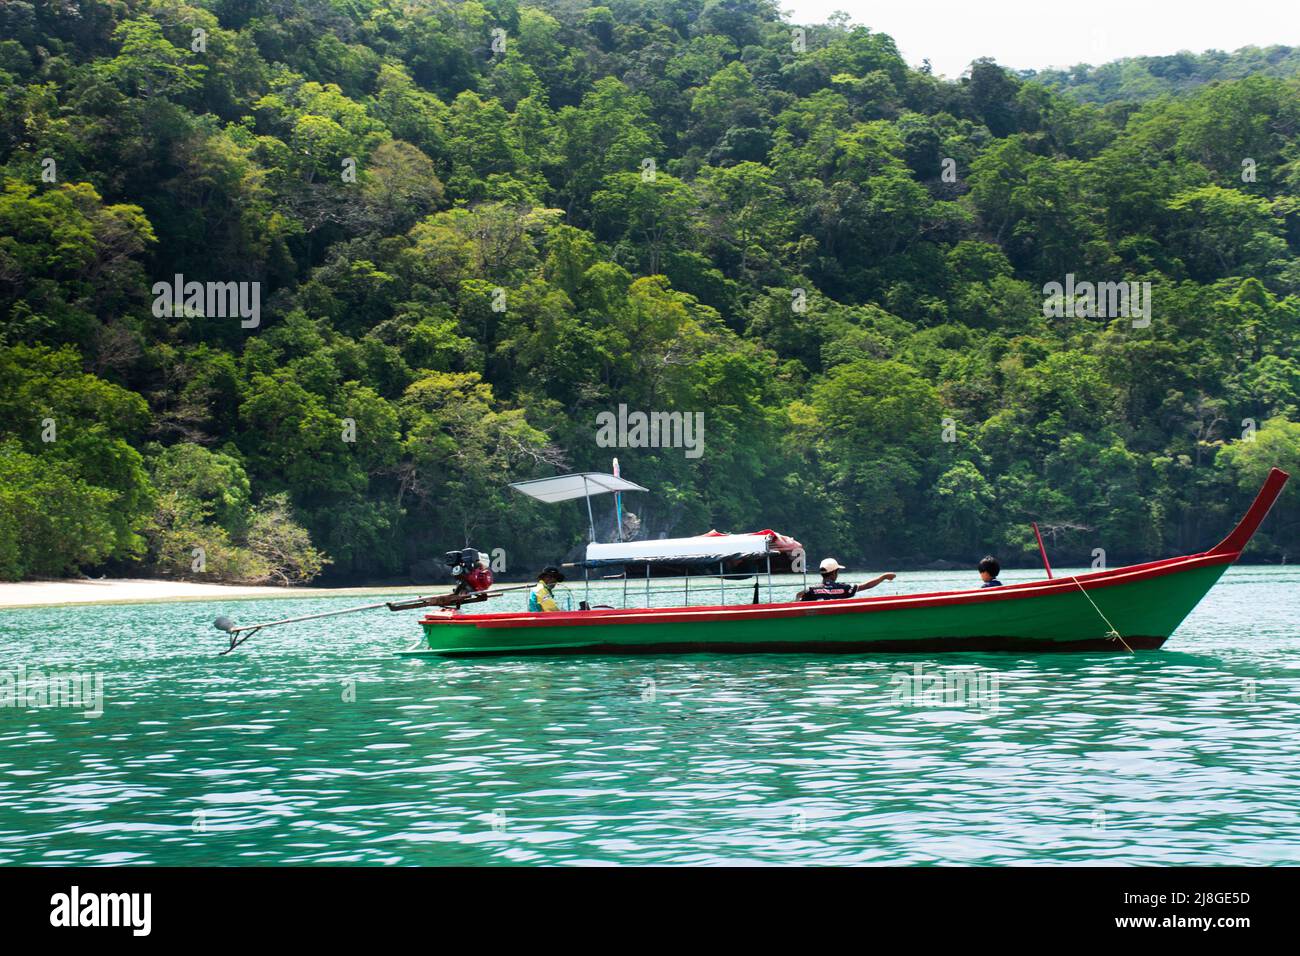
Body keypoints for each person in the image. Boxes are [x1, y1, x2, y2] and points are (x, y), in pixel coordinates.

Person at [798, 558, 896, 601]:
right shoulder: (844, 588)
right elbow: (866, 586)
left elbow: (799, 596)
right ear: (834, 573)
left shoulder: (811, 590)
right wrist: (884, 577)